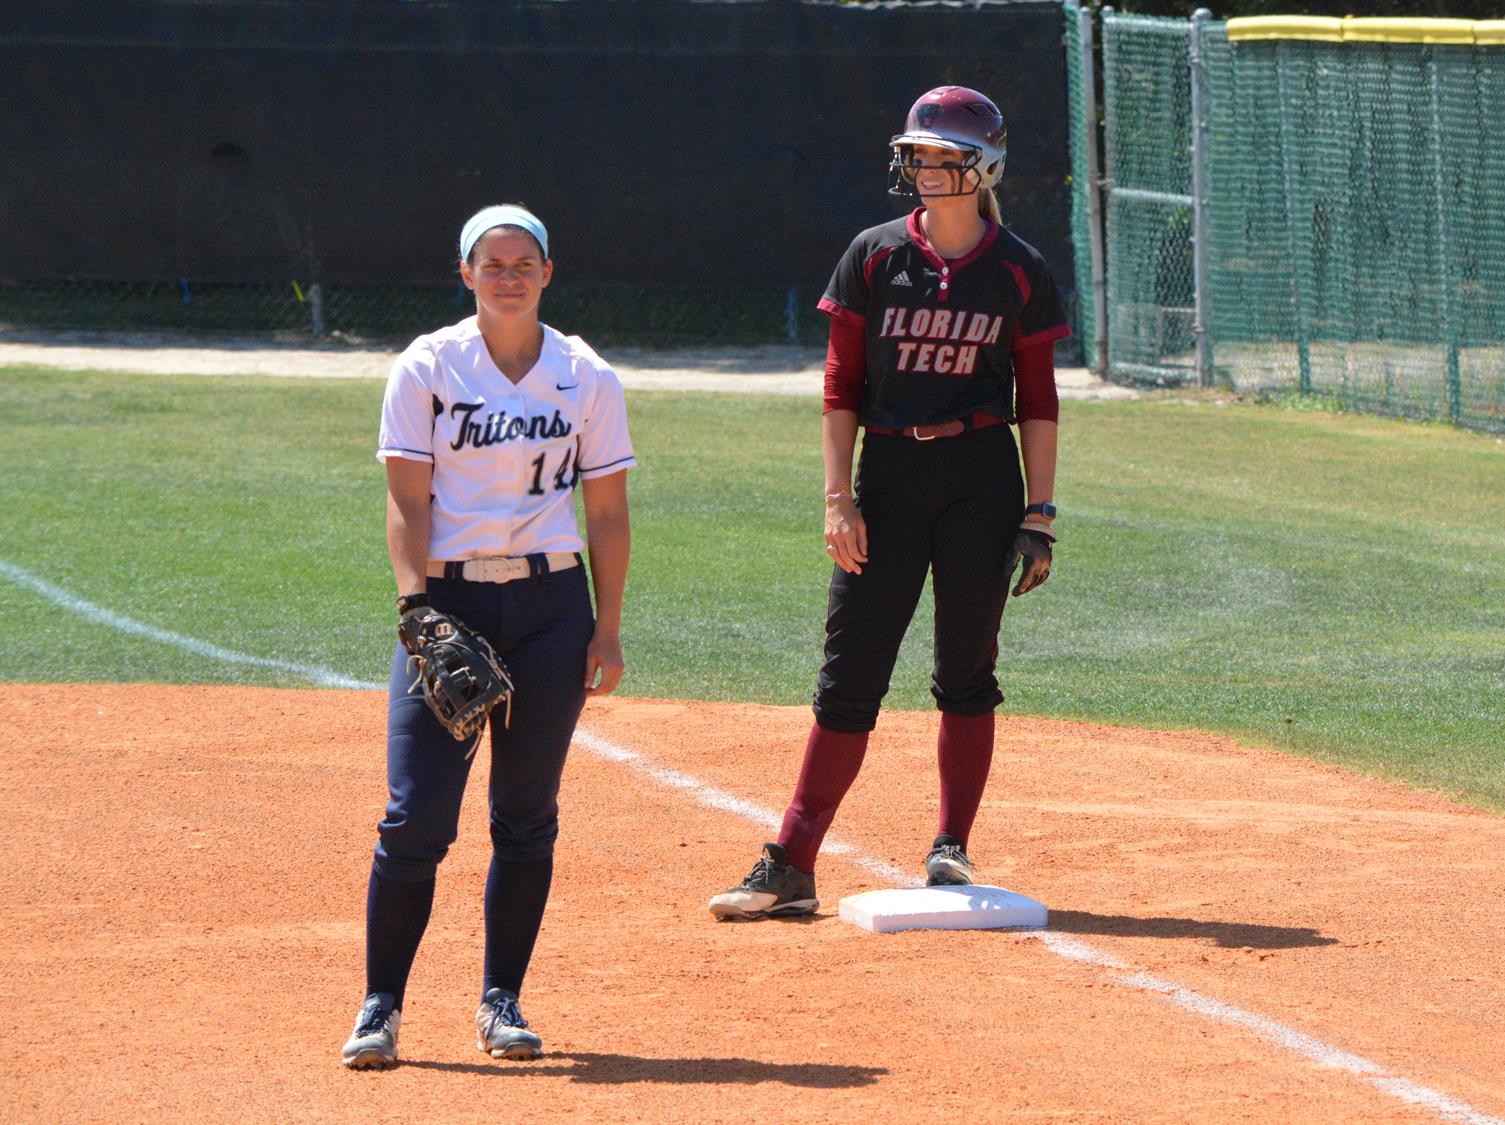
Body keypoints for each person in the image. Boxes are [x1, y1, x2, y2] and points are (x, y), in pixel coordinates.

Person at [708, 87, 1068, 920]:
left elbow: (1039, 400)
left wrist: (1039, 512)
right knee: (851, 670)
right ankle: (792, 861)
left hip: (982, 478)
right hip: (887, 479)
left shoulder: (1018, 269)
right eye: (918, 154)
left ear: (980, 168)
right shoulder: (873, 255)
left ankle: (951, 845)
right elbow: (841, 386)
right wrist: (838, 498)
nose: (922, 167)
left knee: (966, 668)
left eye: (941, 156)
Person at [341, 204, 634, 1067]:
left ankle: (502, 999)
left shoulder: (587, 377)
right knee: (415, 815)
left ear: (549, 272)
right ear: (464, 273)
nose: (508, 274)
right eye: (491, 262)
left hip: (551, 606)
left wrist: (607, 626)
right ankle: (380, 1004)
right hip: (449, 609)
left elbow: (607, 511)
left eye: (524, 262)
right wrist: (415, 609)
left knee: (526, 812)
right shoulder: (429, 366)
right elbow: (406, 499)